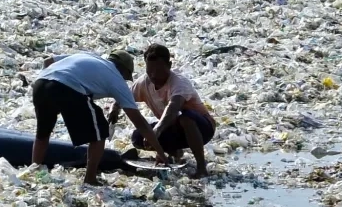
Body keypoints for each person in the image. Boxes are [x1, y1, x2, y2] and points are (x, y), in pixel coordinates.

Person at [31, 52, 159, 185]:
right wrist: (159, 151)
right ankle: (90, 179)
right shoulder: (116, 77)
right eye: (126, 77)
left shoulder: (90, 57)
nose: (125, 80)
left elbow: (48, 61)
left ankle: (33, 171)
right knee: (100, 130)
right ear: (124, 70)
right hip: (66, 87)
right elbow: (139, 121)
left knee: (43, 132)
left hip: (41, 83)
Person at [130, 44, 214, 177]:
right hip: (173, 129)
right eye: (150, 70)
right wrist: (115, 108)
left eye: (158, 71)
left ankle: (201, 167)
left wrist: (157, 130)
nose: (153, 75)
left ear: (169, 65)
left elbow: (173, 108)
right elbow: (125, 98)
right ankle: (174, 152)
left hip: (203, 128)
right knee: (138, 137)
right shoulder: (143, 83)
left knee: (186, 118)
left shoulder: (179, 82)